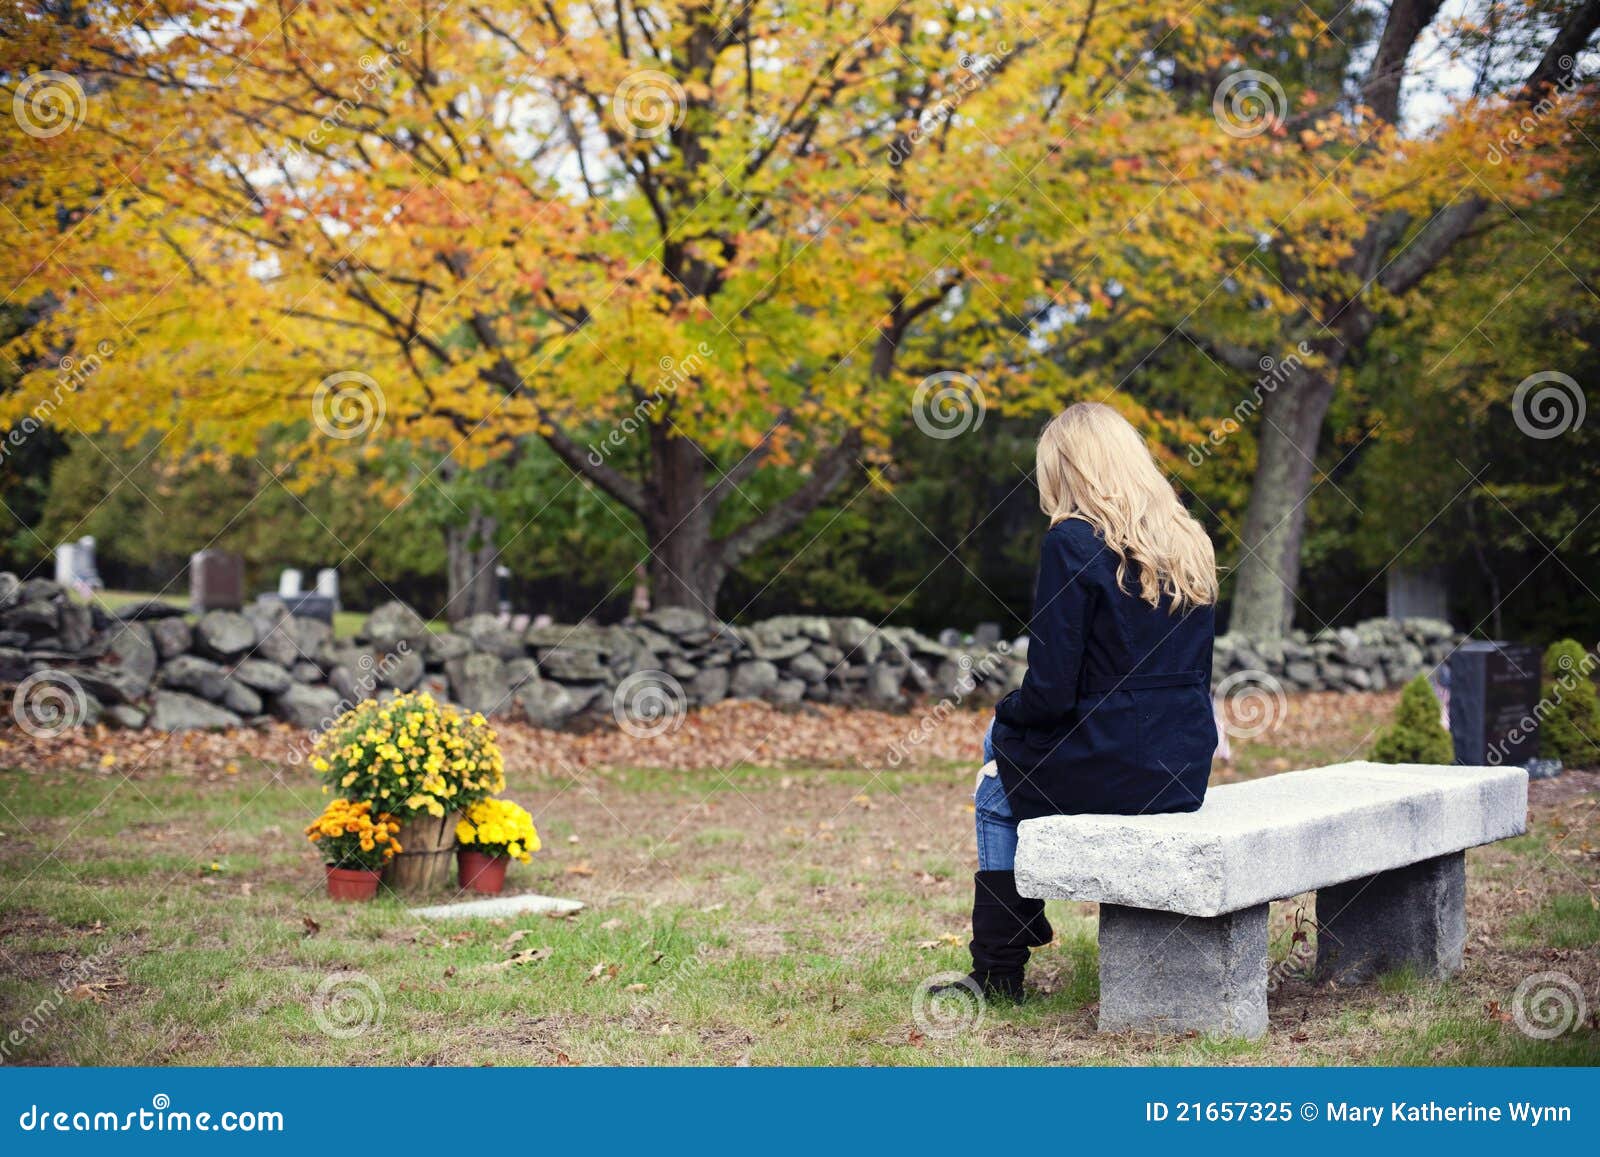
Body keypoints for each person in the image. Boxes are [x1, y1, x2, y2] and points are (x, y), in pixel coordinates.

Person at [947, 402, 1219, 1001]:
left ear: (1069, 470)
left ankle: (998, 971)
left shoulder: (1071, 542)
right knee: (1003, 756)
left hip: (1116, 758)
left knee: (995, 789)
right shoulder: (1186, 542)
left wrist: (1002, 716)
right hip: (1182, 763)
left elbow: (1049, 693)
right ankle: (1018, 912)